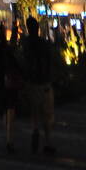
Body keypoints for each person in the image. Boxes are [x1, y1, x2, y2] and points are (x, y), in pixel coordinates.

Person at [19, 16, 56, 155]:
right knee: (47, 114)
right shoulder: (44, 44)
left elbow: (23, 61)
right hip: (44, 82)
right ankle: (47, 141)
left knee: (35, 111)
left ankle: (35, 130)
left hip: (31, 82)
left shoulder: (26, 43)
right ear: (38, 28)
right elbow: (49, 61)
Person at [0, 25, 23, 153]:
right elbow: (16, 66)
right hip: (9, 84)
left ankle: (8, 136)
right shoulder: (7, 51)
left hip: (0, 84)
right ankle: (10, 140)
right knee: (10, 111)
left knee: (5, 110)